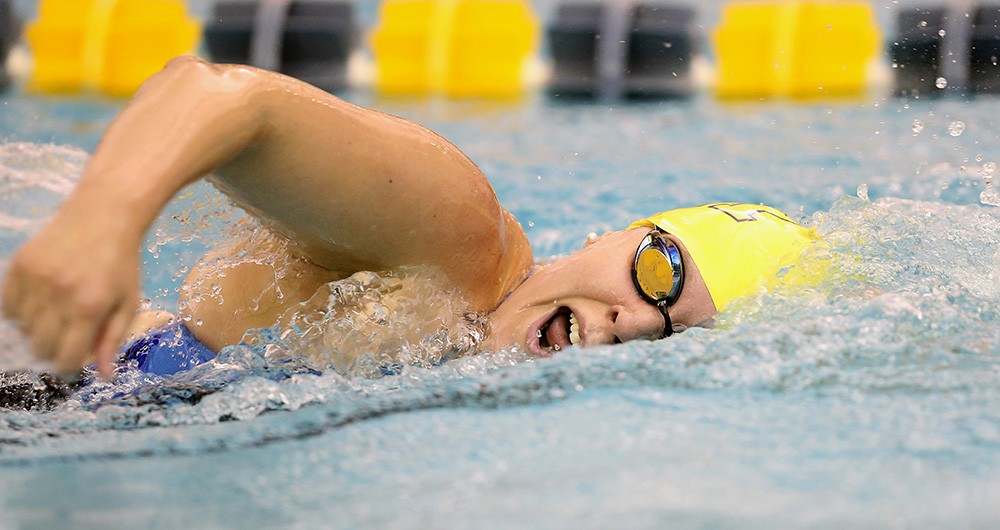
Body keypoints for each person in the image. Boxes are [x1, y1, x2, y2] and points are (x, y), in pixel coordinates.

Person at [0, 57, 815, 382]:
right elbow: (228, 97)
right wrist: (105, 222)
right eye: (658, 272)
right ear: (609, 234)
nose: (633, 322)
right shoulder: (462, 242)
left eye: (670, 335)